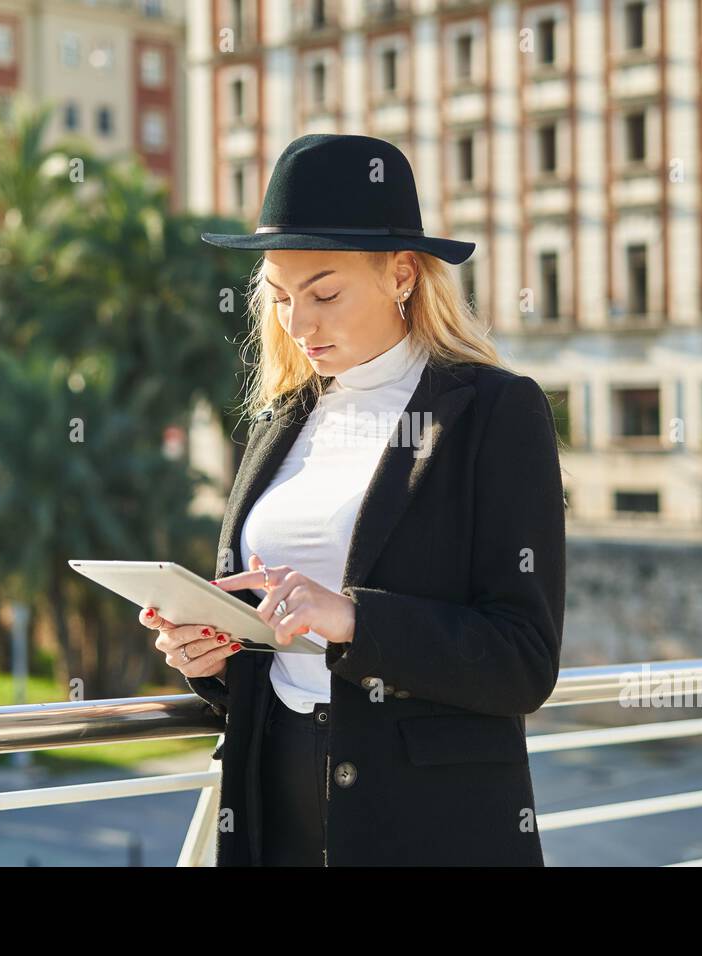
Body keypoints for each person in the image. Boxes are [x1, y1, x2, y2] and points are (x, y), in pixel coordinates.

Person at [142, 133, 566, 866]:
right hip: (272, 807)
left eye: (325, 293)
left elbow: (523, 662)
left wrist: (353, 618)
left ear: (402, 274)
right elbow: (274, 662)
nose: (298, 325)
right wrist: (210, 658)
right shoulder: (283, 421)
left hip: (430, 825)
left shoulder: (498, 412)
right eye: (279, 298)